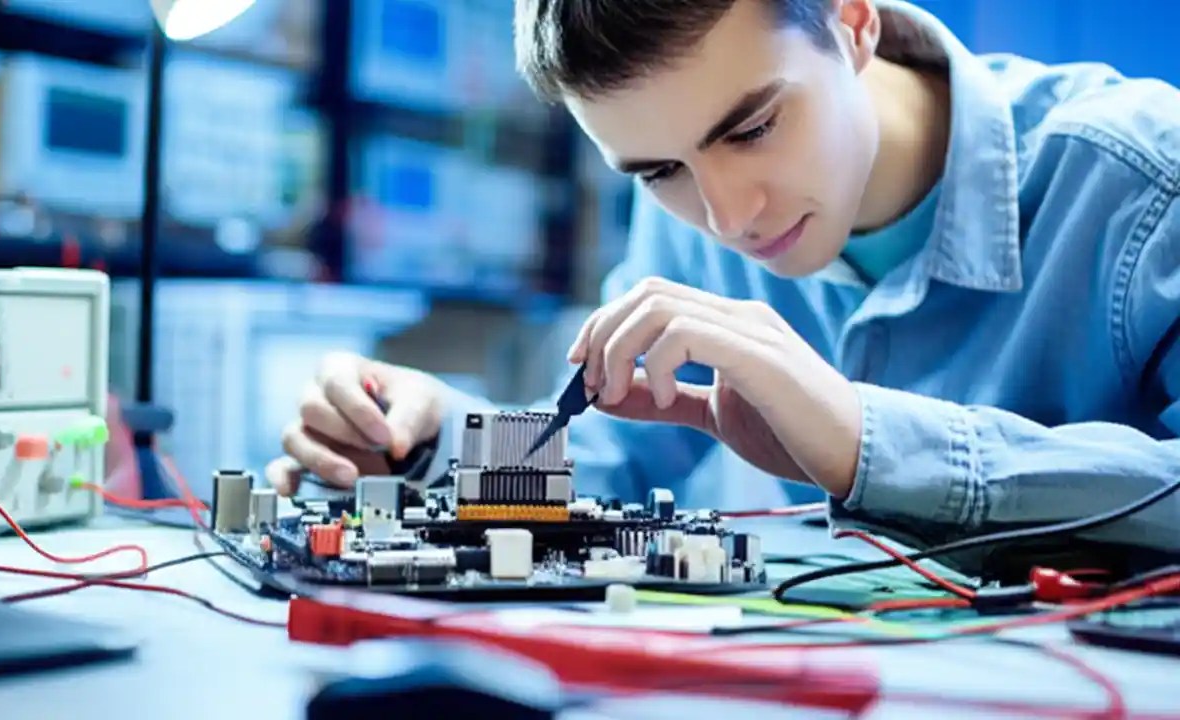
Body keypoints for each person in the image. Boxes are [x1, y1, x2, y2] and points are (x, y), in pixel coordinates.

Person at [268, 0, 1180, 569]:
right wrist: (434, 441)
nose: (728, 216)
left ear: (852, 22)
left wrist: (866, 439)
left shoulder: (1145, 182)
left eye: (751, 129)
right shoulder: (689, 210)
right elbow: (614, 468)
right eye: (658, 170)